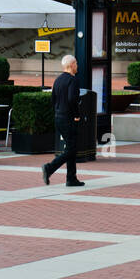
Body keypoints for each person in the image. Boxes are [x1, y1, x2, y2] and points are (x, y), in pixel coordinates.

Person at [42, 55, 84, 188]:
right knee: (71, 149)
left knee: (71, 147)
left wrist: (59, 110)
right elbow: (72, 99)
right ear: (71, 65)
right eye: (76, 63)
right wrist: (76, 114)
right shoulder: (73, 80)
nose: (77, 65)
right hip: (68, 119)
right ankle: (49, 168)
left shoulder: (58, 80)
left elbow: (53, 99)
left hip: (58, 117)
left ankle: (71, 178)